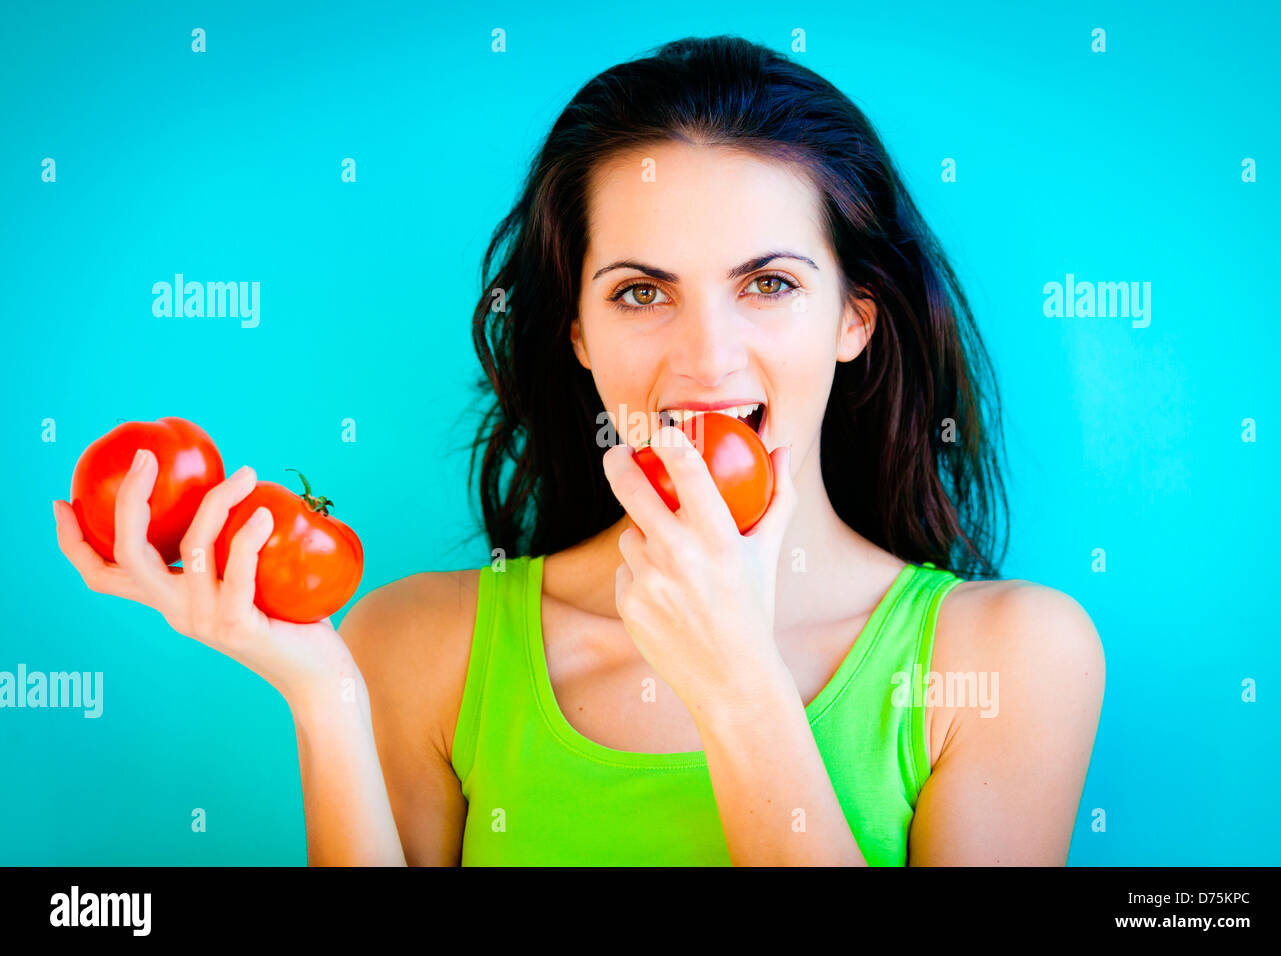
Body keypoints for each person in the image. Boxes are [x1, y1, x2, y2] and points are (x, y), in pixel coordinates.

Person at [53, 35, 1104, 866]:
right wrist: (324, 692)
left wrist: (736, 681)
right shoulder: (421, 644)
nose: (706, 357)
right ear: (578, 336)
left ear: (854, 319)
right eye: (640, 292)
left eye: (769, 284)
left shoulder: (1007, 657)